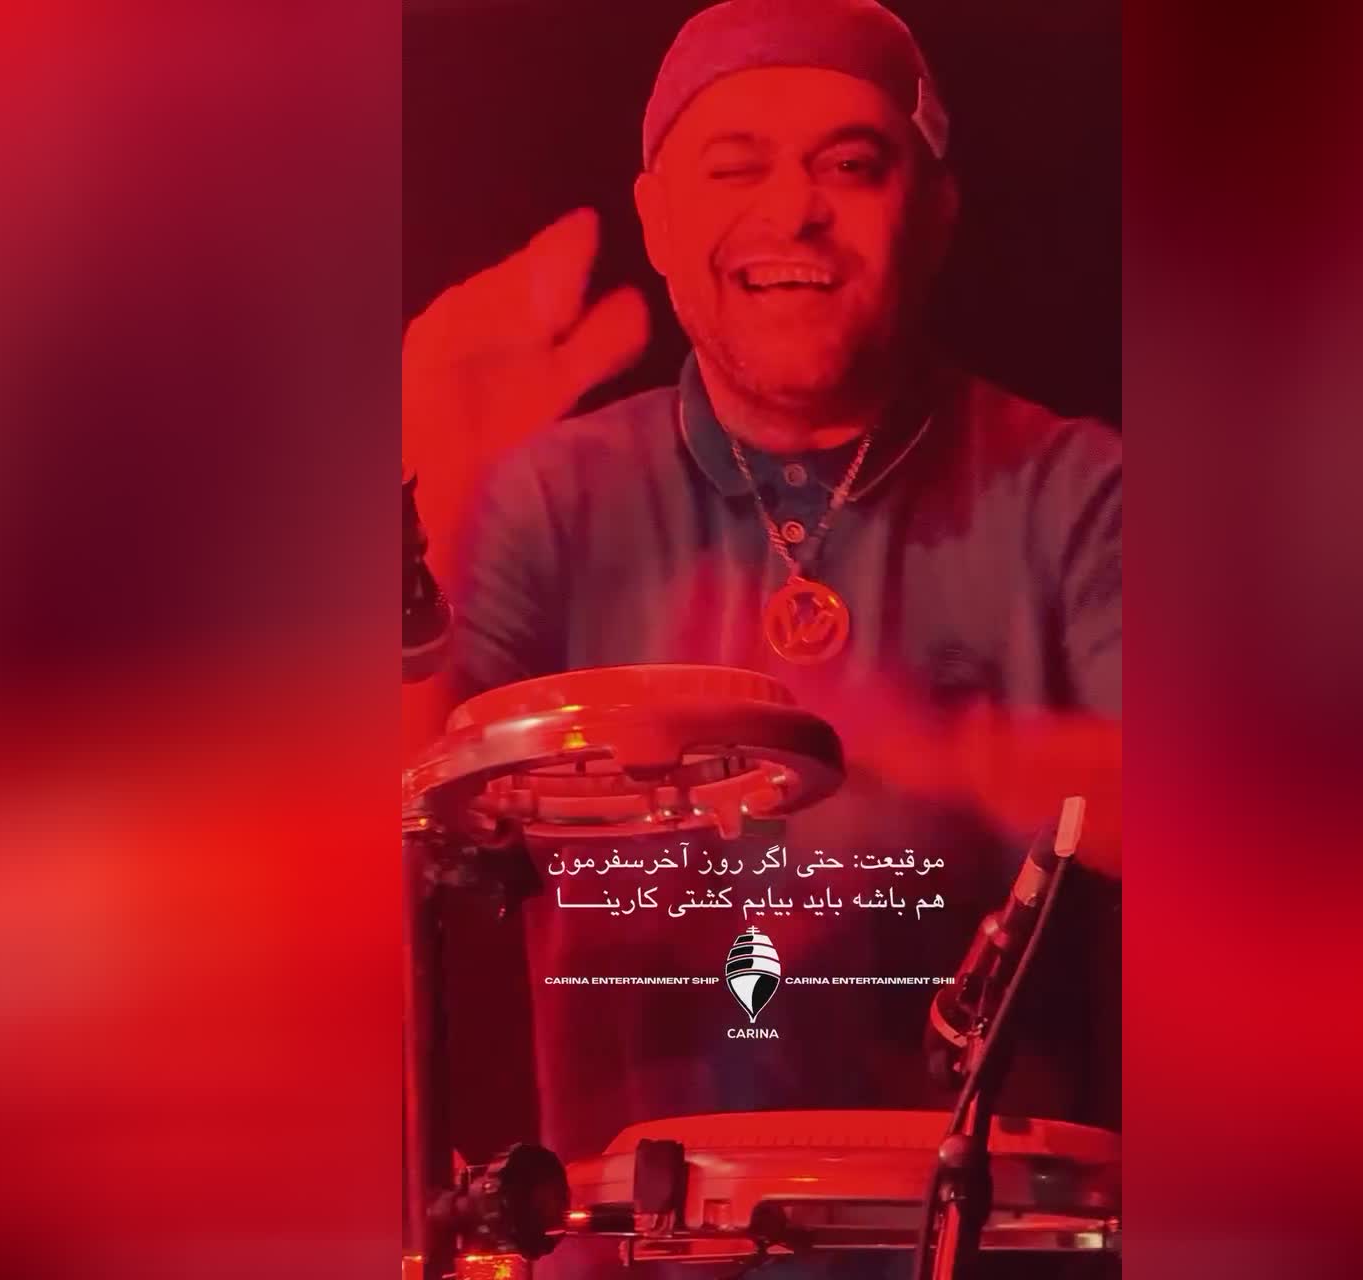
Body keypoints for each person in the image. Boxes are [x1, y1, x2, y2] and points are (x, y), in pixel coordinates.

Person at [402, 2, 1121, 1271]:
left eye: (850, 163)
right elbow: (386, 859)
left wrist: (938, 749)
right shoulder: (548, 498)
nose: (793, 209)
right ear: (656, 218)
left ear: (935, 209)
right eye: (736, 167)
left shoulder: (1073, 489)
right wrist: (422, 511)